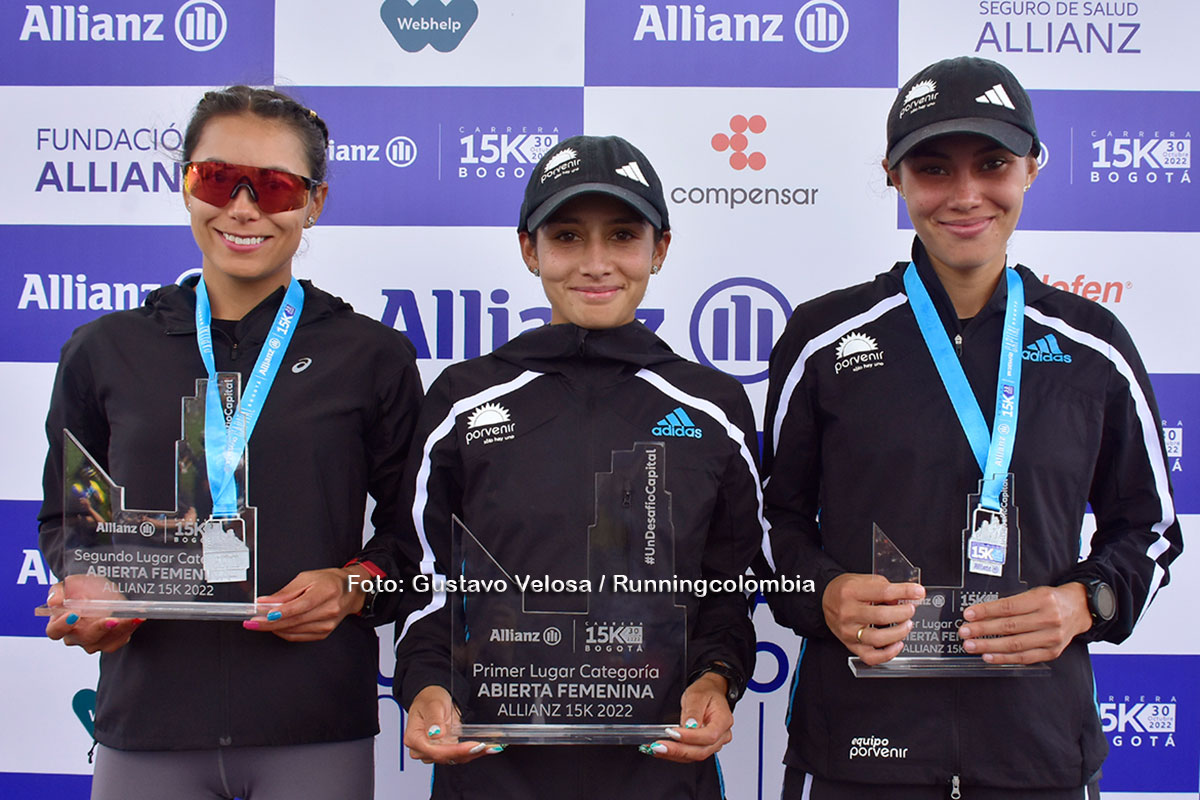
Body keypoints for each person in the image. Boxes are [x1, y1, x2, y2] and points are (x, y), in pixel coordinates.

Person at [758, 57, 1182, 799]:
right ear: (894, 177)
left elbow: (1149, 527)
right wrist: (822, 593)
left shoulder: (1092, 347)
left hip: (1036, 753)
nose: (965, 195)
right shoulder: (823, 338)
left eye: (992, 164)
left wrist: (1088, 601)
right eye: (932, 168)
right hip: (859, 752)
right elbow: (769, 524)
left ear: (1031, 170)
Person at [39, 85, 422, 800]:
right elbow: (69, 522)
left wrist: (352, 589)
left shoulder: (371, 356)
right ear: (185, 184)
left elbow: (410, 544)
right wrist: (85, 584)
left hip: (312, 723)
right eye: (217, 178)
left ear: (315, 202)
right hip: (148, 718)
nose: (243, 207)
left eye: (275, 186)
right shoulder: (102, 351)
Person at [392, 135, 764, 798]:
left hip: (659, 771)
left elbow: (726, 589)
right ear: (530, 249)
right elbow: (429, 581)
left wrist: (715, 675)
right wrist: (424, 684)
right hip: (494, 769)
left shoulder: (713, 406)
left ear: (660, 248)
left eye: (622, 235)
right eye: (567, 236)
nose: (596, 263)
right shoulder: (463, 398)